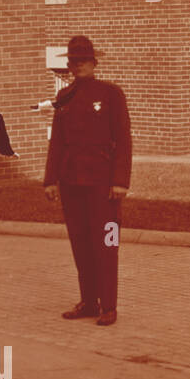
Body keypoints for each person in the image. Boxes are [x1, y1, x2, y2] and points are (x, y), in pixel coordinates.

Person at [43, 35, 132, 326]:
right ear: (68, 65)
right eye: (74, 61)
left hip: (103, 183)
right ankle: (89, 302)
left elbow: (123, 140)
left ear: (94, 63)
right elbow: (57, 141)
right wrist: (50, 180)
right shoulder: (63, 97)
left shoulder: (111, 94)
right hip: (72, 181)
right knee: (80, 243)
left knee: (106, 242)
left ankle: (109, 306)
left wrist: (120, 181)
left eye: (84, 61)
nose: (78, 66)